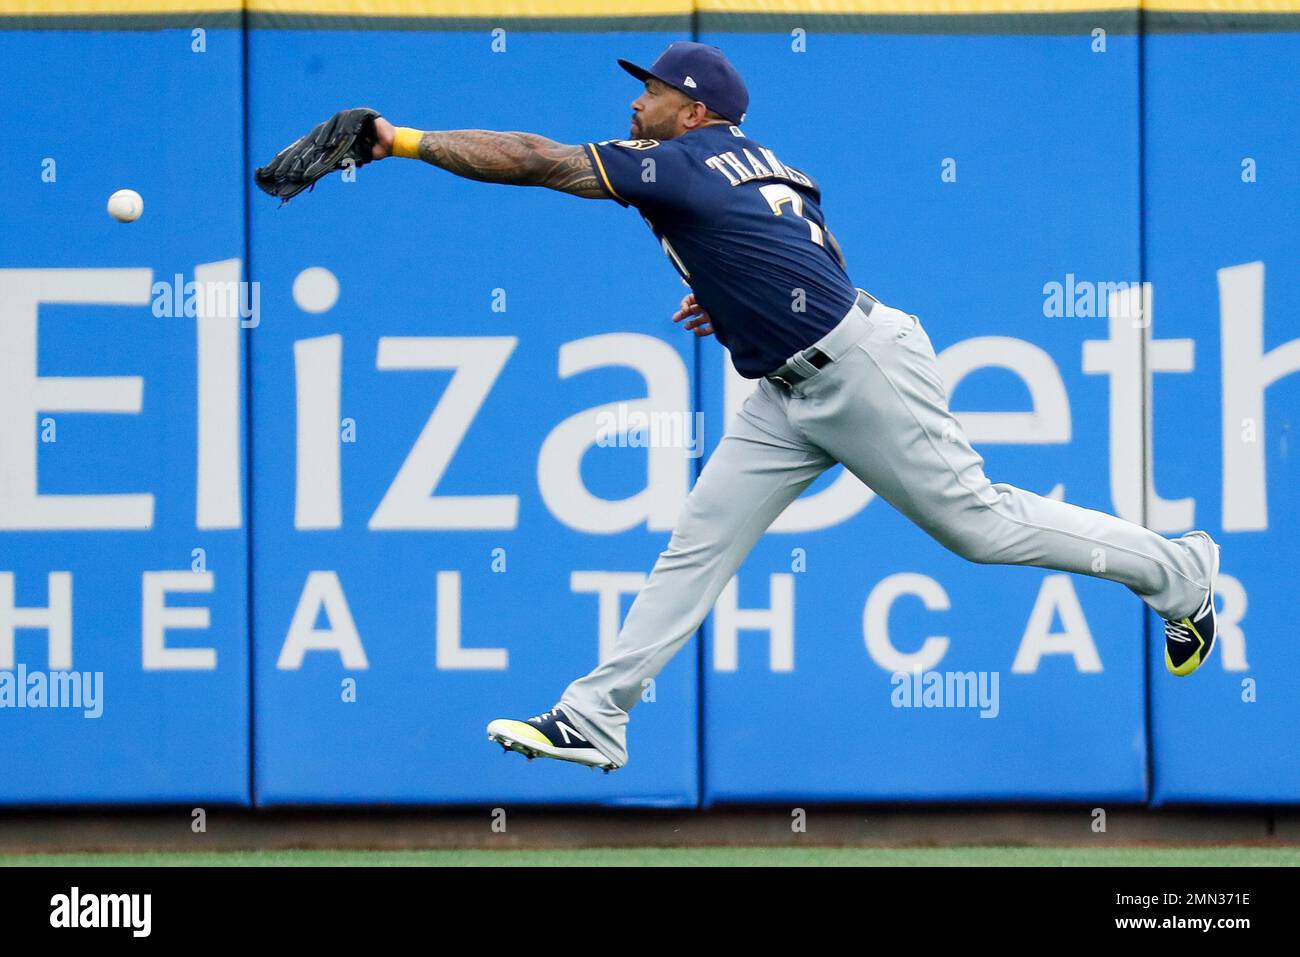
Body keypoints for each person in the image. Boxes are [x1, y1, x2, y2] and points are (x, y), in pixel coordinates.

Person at [364, 41, 1220, 772]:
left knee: (982, 527)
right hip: (785, 385)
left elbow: (532, 158)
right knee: (696, 545)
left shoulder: (681, 162)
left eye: (653, 90)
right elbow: (821, 246)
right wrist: (740, 294)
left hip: (857, 369)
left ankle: (1180, 572)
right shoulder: (769, 162)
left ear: (693, 111)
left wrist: (397, 140)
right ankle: (595, 715)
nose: (637, 101)